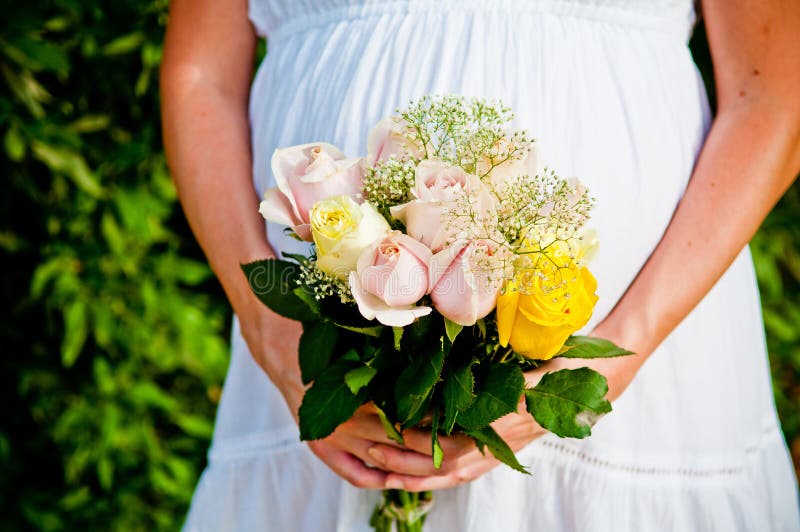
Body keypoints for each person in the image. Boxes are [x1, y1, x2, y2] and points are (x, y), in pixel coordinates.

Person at [161, 0, 800, 529]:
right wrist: (269, 329)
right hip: (320, 366)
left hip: (650, 370)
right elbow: (201, 76)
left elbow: (772, 96)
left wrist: (616, 355)